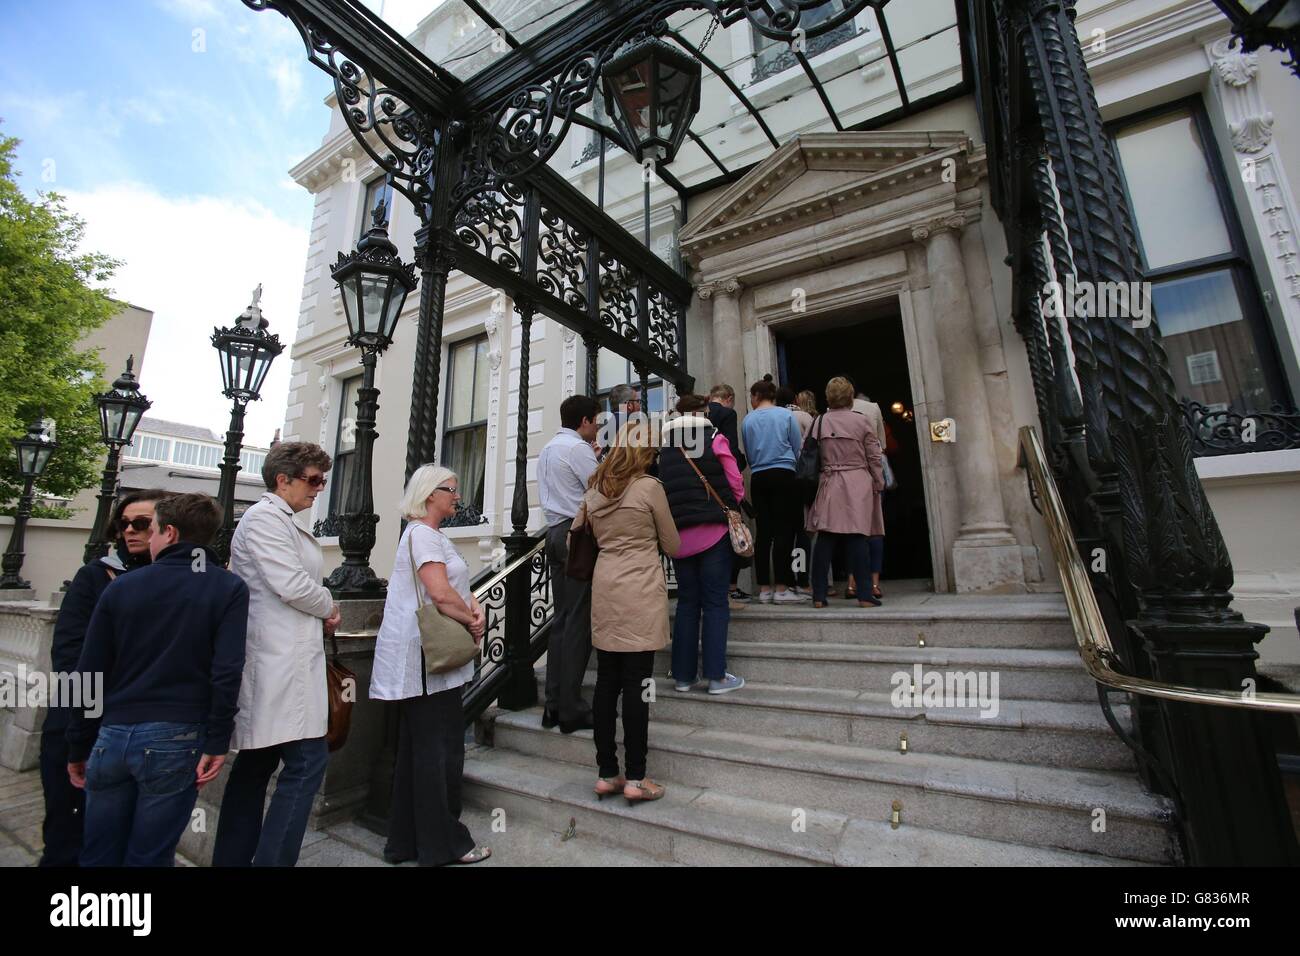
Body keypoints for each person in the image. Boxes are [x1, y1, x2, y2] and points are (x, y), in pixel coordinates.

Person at [67, 493, 248, 867]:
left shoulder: (123, 586)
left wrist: (77, 741)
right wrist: (217, 738)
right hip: (177, 734)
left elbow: (88, 670)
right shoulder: (226, 588)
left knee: (98, 851)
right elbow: (227, 670)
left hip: (114, 732)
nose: (145, 539)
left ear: (169, 532)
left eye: (150, 530)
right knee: (150, 854)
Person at [212, 442, 341, 867]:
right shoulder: (266, 519)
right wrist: (329, 606)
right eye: (313, 479)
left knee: (255, 767)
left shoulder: (282, 519)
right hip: (276, 660)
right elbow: (291, 584)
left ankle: (232, 859)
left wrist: (318, 607)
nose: (319, 488)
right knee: (306, 764)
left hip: (287, 660)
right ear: (282, 479)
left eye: (323, 479)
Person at [39, 488, 171, 866]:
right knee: (66, 833)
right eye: (124, 523)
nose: (130, 531)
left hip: (139, 730)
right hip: (81, 722)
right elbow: (68, 653)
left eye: (142, 524)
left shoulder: (179, 582)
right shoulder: (95, 577)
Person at [370, 465, 491, 865]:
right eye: (451, 489)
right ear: (429, 493)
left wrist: (473, 605)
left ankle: (403, 843)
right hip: (425, 661)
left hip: (427, 661)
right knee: (439, 754)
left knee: (419, 753)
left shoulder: (434, 537)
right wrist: (472, 619)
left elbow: (456, 587)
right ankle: (443, 846)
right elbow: (439, 594)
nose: (457, 495)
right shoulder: (422, 535)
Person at [573, 419, 680, 803]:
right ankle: (636, 777)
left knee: (607, 683)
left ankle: (606, 773)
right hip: (639, 589)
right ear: (644, 453)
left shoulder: (594, 489)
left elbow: (579, 532)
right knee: (639, 684)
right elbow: (672, 544)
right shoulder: (649, 487)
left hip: (606, 588)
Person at [659, 394, 745, 695]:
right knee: (715, 602)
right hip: (712, 529)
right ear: (702, 413)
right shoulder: (715, 437)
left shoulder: (666, 447)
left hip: (680, 534)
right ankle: (716, 676)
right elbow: (735, 479)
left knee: (687, 603)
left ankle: (683, 676)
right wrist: (735, 504)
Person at [536, 395, 601, 733]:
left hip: (555, 533)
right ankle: (572, 708)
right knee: (578, 621)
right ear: (585, 421)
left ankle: (554, 704)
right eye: (596, 420)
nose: (599, 426)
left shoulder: (548, 449)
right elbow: (603, 488)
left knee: (562, 619)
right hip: (577, 534)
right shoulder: (577, 449)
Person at [808, 377, 884, 609]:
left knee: (826, 538)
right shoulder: (861, 422)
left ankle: (819, 595)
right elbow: (874, 455)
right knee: (857, 537)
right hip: (858, 481)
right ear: (850, 397)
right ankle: (864, 594)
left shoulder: (819, 422)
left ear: (828, 396)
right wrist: (878, 481)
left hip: (829, 480)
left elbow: (808, 452)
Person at [741, 377, 807, 604]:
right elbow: (797, 447)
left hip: (759, 476)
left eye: (751, 396)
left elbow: (749, 453)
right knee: (784, 531)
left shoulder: (748, 420)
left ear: (757, 396)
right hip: (784, 473)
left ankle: (763, 589)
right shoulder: (786, 415)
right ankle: (781, 588)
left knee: (764, 533)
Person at [706, 384, 751, 605]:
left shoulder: (701, 413)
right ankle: (731, 587)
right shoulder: (727, 413)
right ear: (729, 398)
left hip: (702, 482)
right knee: (734, 533)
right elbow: (730, 450)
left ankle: (715, 588)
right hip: (722, 481)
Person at [851, 391, 888, 602]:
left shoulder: (829, 416)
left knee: (850, 533)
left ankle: (851, 582)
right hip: (869, 478)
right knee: (874, 531)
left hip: (842, 480)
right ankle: (874, 583)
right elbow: (881, 445)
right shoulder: (873, 409)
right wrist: (879, 482)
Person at [778, 385, 814, 596]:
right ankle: (802, 579)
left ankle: (786, 579)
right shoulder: (803, 417)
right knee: (802, 532)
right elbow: (811, 446)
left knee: (784, 532)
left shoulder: (773, 416)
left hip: (778, 477)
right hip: (800, 477)